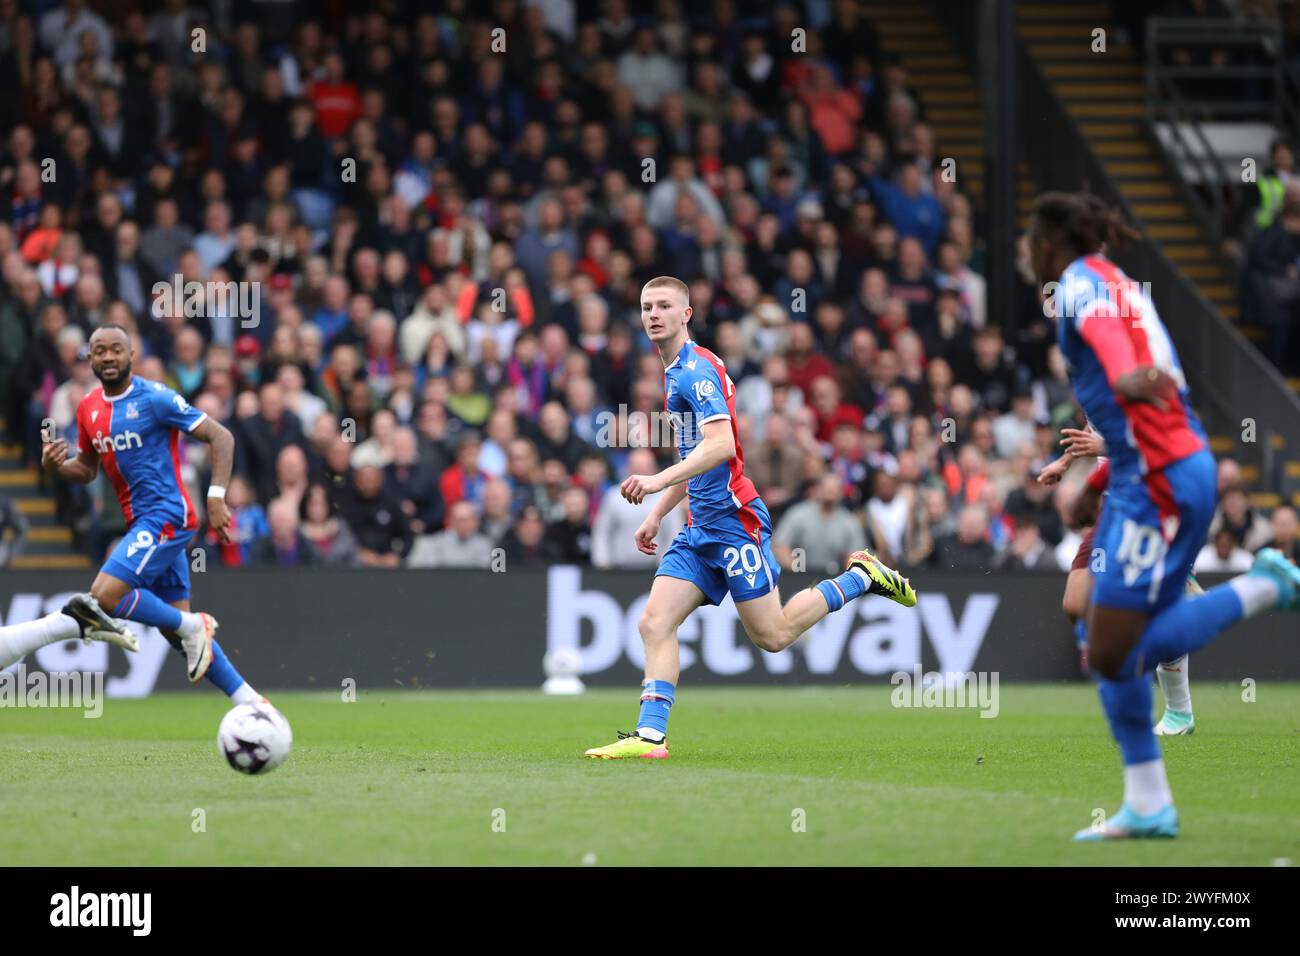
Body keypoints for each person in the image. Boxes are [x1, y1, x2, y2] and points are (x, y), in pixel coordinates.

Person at [1028, 191, 1299, 841]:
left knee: (1121, 648)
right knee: (1110, 647)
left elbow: (1130, 374)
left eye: (1025, 241)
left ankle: (1267, 585)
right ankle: (1148, 804)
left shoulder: (1075, 287)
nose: (1022, 252)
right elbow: (1139, 397)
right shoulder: (1116, 281)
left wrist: (1127, 380)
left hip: (1159, 480)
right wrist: (1098, 478)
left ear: (1046, 244)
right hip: (1159, 470)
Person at [583, 277, 916, 760]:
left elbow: (721, 446)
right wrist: (658, 514)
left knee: (773, 636)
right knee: (655, 622)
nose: (653, 314)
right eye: (646, 307)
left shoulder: (693, 373)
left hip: (735, 522)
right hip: (701, 528)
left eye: (664, 306)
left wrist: (654, 481)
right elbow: (698, 453)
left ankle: (860, 577)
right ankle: (651, 736)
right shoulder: (678, 368)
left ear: (686, 314)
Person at [0, 326, 267, 708]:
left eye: (116, 350)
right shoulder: (88, 409)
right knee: (180, 636)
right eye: (99, 351)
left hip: (168, 515)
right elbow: (87, 469)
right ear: (89, 360)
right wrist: (57, 466)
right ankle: (252, 701)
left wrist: (216, 497)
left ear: (131, 356)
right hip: (141, 522)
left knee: (104, 597)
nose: (108, 357)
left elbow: (221, 436)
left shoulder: (156, 397)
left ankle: (195, 625)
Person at [1039, 426, 1200, 734]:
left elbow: (1159, 443)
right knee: (1075, 603)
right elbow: (1096, 427)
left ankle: (1178, 711)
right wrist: (1066, 461)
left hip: (1153, 503)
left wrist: (1107, 447)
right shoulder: (1094, 384)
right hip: (1114, 507)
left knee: (1158, 614)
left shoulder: (1139, 383)